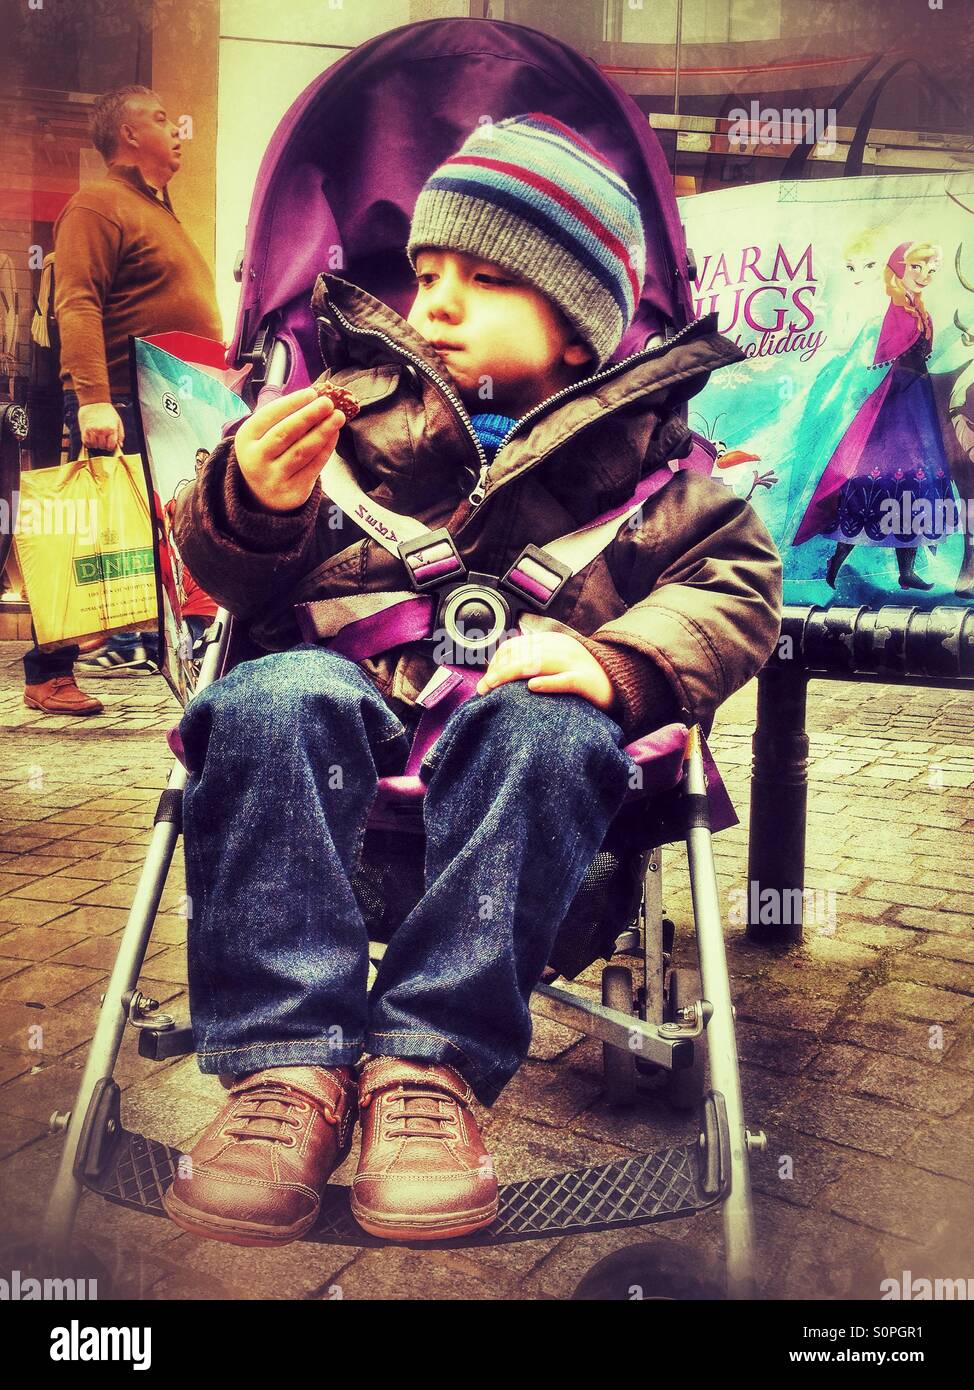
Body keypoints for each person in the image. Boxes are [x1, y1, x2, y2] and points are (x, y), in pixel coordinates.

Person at [163, 114, 783, 1247]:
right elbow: (230, 574)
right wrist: (251, 500)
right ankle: (283, 1073)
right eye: (427, 271)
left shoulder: (664, 484)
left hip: (528, 842)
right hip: (326, 804)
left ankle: (425, 1071)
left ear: (580, 330)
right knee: (264, 691)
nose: (434, 302)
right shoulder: (343, 427)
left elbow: (734, 587)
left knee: (549, 730)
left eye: (486, 279)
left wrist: (612, 663)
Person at [23, 84, 222, 714]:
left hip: (171, 397)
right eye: (162, 119)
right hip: (125, 398)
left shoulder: (153, 207)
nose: (178, 129)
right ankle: (48, 671)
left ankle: (167, 651)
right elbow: (76, 301)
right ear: (129, 135)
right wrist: (93, 401)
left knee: (159, 534)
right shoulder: (98, 204)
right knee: (88, 532)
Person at [792, 240, 956, 592]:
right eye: (917, 266)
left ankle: (906, 571)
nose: (925, 275)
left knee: (916, 484)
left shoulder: (919, 309)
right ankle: (837, 558)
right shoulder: (895, 312)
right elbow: (878, 359)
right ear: (899, 266)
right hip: (894, 404)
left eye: (931, 269)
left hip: (916, 403)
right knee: (870, 482)